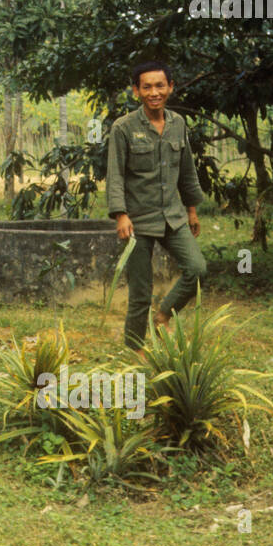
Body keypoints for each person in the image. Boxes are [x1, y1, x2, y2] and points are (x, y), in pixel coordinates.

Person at [106, 61, 208, 350]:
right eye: (147, 87)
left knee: (197, 269)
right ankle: (135, 348)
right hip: (137, 220)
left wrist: (191, 209)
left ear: (170, 87)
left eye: (160, 86)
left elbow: (186, 170)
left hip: (173, 216)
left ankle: (163, 316)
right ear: (136, 91)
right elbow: (115, 174)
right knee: (141, 291)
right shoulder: (123, 128)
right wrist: (120, 214)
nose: (154, 92)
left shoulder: (178, 124)